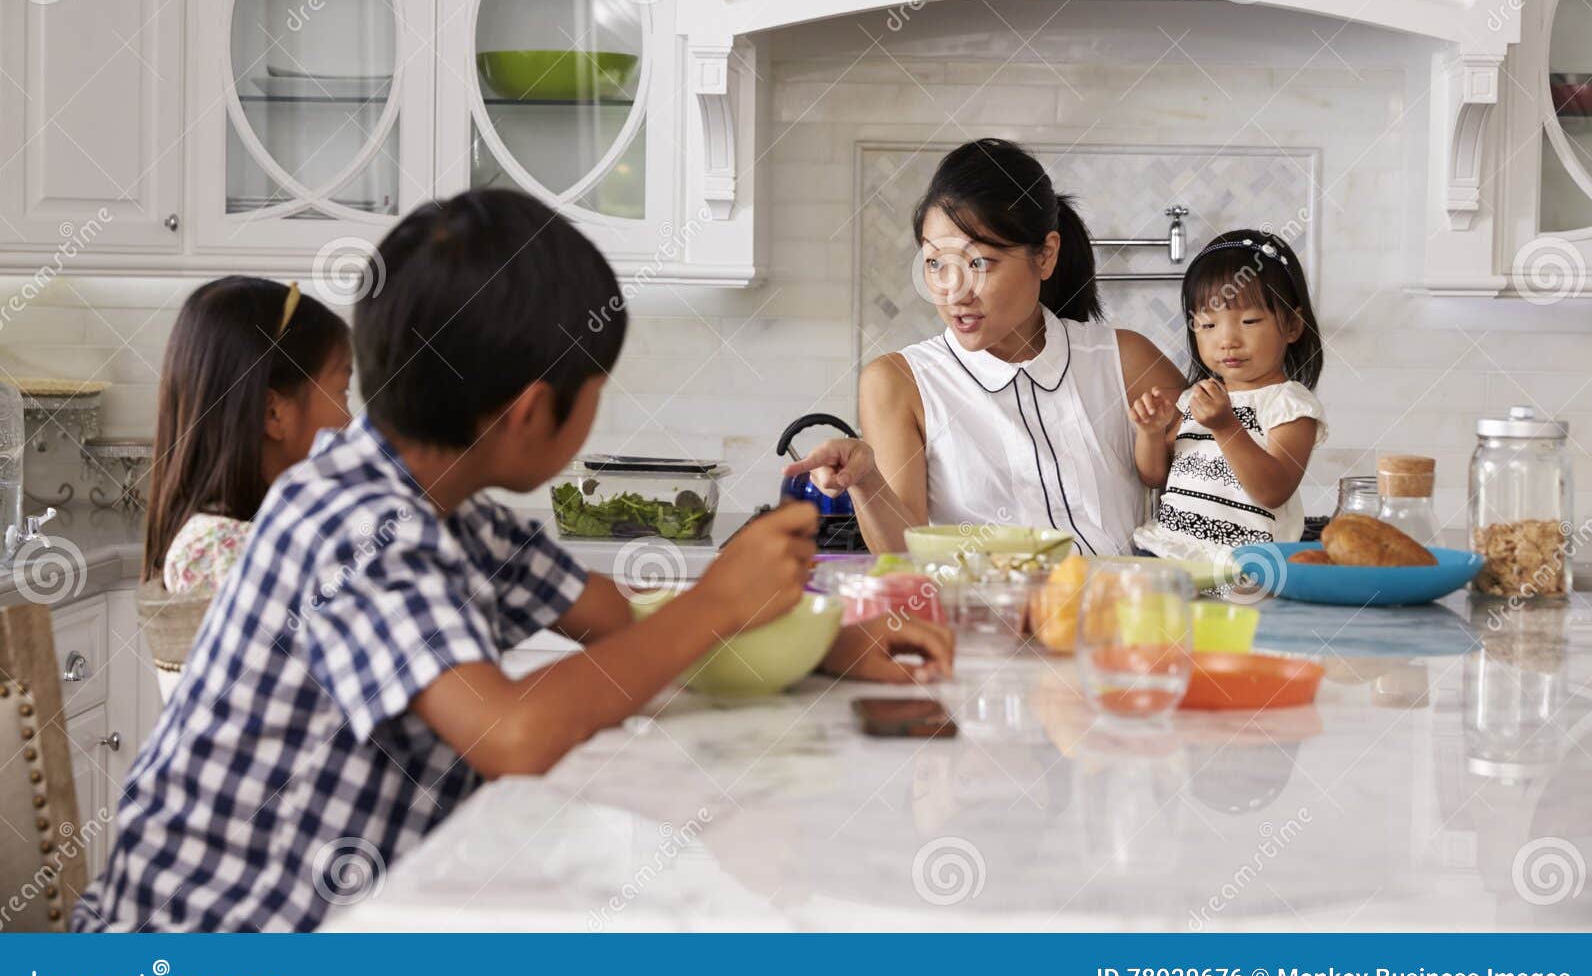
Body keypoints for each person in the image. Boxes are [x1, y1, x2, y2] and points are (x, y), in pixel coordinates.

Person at [75, 190, 950, 933]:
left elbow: (619, 619)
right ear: (531, 413)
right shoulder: (348, 518)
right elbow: (515, 734)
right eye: (595, 393)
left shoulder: (460, 515)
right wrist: (718, 600)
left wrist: (830, 642)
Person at [785, 138, 1187, 555]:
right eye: (936, 263)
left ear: (1045, 255)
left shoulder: (1126, 360)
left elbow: (1220, 478)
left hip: (1120, 599)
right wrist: (866, 480)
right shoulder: (898, 383)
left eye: (979, 263)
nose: (954, 291)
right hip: (978, 602)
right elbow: (903, 555)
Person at [144, 277, 353, 597]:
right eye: (342, 392)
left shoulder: (260, 533)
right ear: (273, 413)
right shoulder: (220, 551)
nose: (350, 420)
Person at [1128, 229, 1326, 561]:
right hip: (1169, 552)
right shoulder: (1196, 399)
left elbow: (1273, 490)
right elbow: (1154, 476)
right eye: (1208, 325)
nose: (1227, 341)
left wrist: (1226, 427)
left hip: (1245, 564)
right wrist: (1150, 433)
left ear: (1292, 326)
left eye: (1249, 320)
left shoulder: (1289, 405)